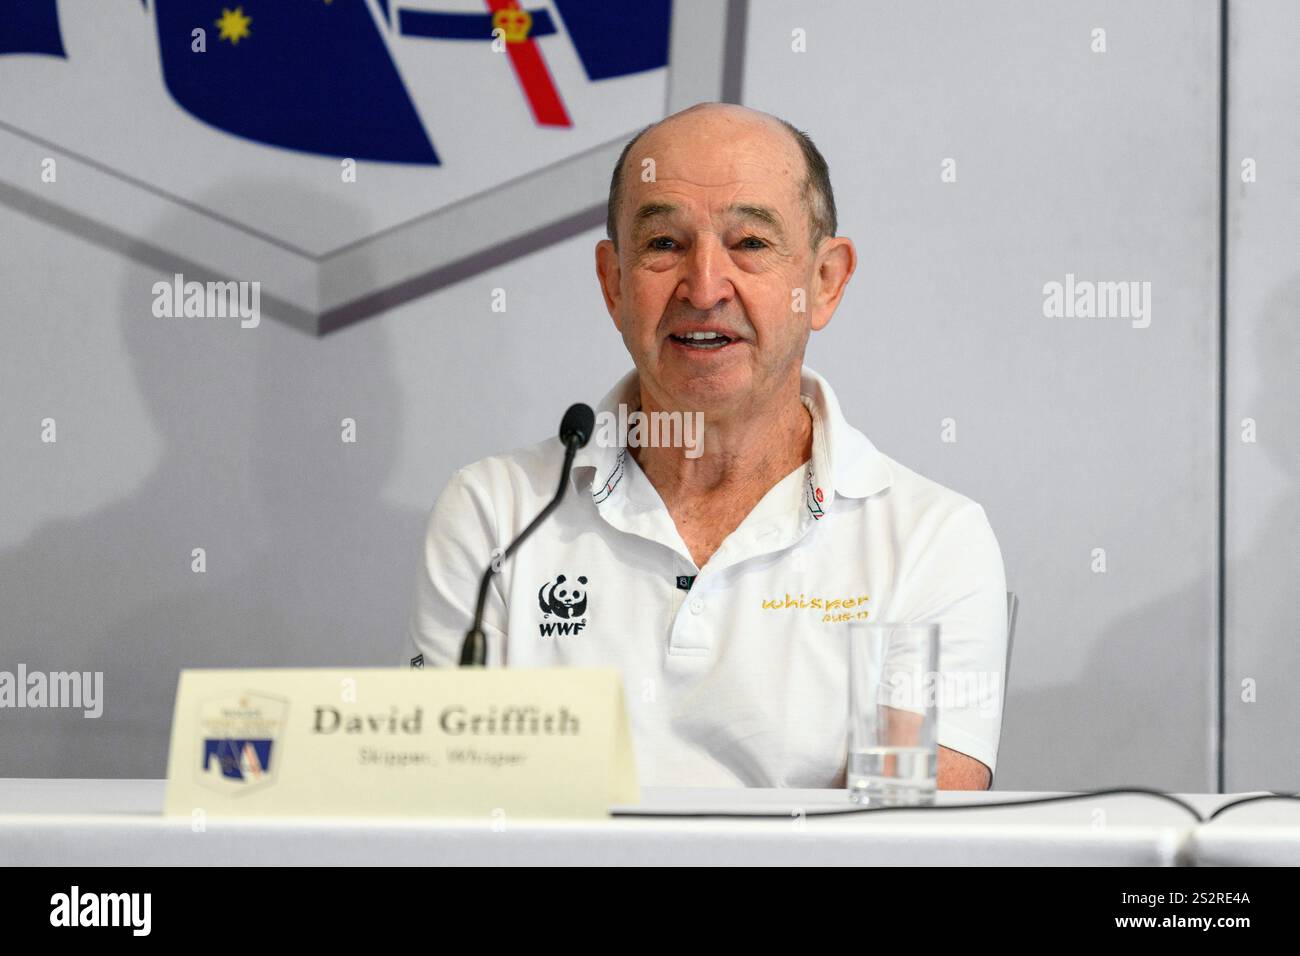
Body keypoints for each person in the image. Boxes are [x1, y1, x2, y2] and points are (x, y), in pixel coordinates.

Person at [405, 102, 1007, 790]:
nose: (704, 287)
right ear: (614, 282)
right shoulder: (496, 514)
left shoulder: (932, 540)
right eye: (665, 244)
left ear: (824, 281)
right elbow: (445, 804)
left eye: (749, 242)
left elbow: (908, 833)